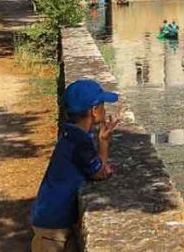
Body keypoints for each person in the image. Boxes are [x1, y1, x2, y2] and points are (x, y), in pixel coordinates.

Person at [31, 80, 119, 251]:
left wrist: (102, 143)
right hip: (53, 224)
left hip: (49, 214)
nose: (105, 109)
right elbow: (99, 173)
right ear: (94, 111)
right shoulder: (80, 142)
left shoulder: (71, 132)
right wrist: (104, 143)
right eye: (102, 105)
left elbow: (94, 166)